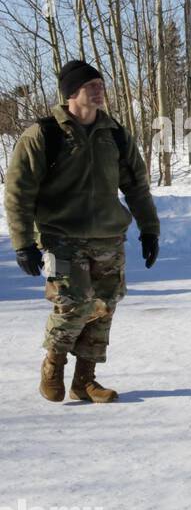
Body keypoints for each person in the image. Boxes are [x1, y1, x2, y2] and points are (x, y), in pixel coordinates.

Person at [4, 60, 160, 403]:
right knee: (73, 303)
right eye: (92, 85)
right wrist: (23, 243)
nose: (99, 89)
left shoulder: (115, 134)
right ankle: (54, 365)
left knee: (105, 304)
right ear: (72, 93)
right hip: (60, 239)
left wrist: (150, 229)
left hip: (108, 237)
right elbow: (19, 192)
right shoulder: (44, 135)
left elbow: (136, 186)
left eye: (101, 84)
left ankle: (85, 380)